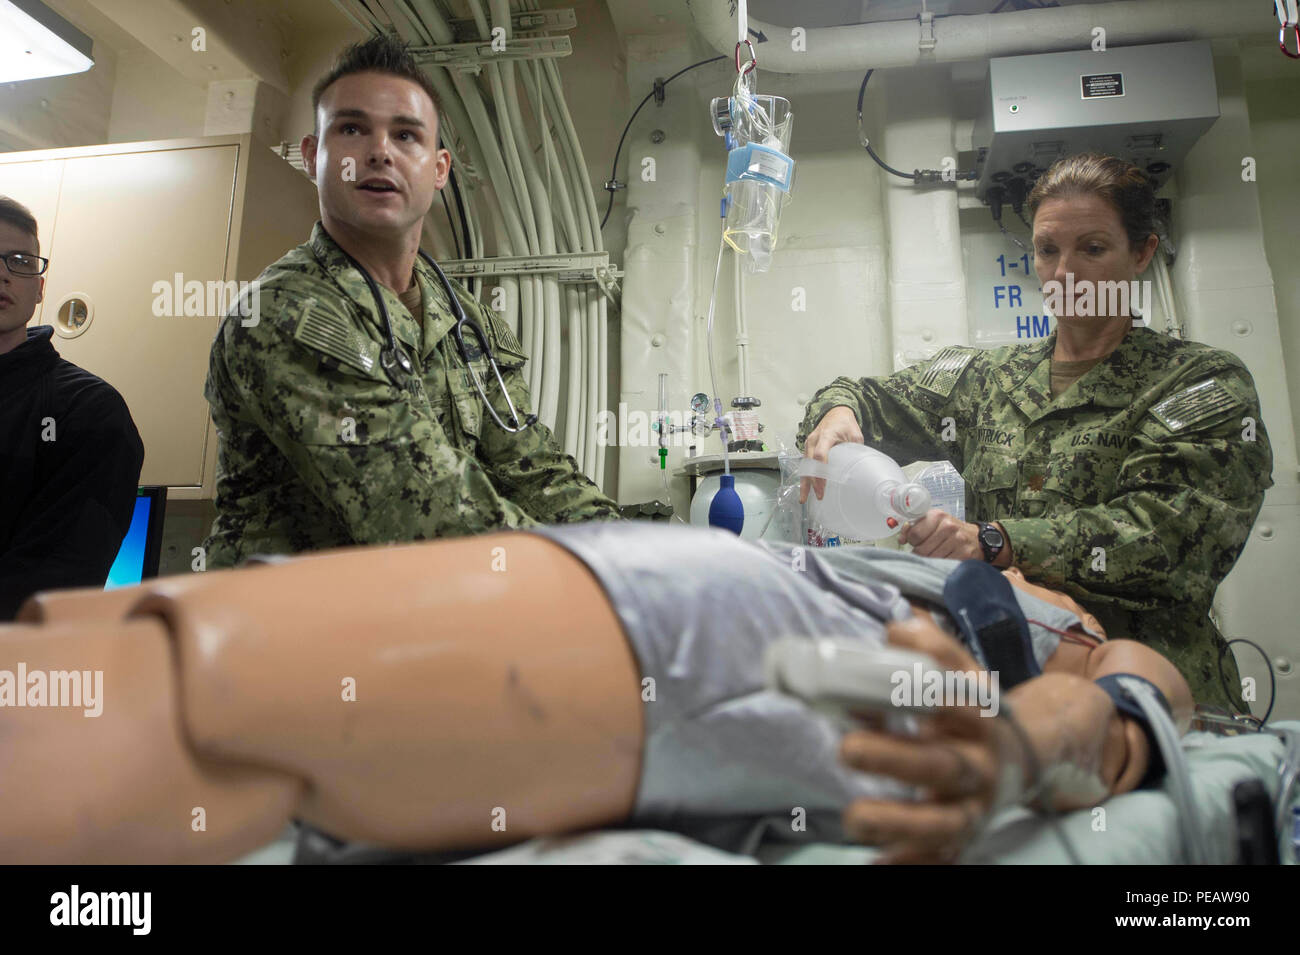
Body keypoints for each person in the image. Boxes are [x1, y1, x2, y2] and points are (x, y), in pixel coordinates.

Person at [2, 522, 1189, 864]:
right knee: (115, 659)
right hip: (772, 607)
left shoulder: (1059, 627)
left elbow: (1132, 698)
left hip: (841, 653)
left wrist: (1026, 742)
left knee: (203, 689)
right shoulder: (922, 563)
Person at [798, 153, 1273, 710]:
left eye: (1092, 248)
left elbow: (1172, 542)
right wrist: (837, 413)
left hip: (1153, 701)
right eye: (1048, 249)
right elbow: (864, 396)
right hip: (1017, 694)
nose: (1065, 273)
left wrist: (994, 541)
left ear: (1142, 252)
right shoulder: (988, 378)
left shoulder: (1198, 383)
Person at [202, 36, 617, 569]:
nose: (380, 151)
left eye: (406, 134)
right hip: (287, 638)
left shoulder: (470, 324)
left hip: (416, 627)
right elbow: (421, 508)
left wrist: (641, 548)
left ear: (439, 169)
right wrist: (607, 572)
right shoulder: (284, 312)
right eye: (352, 129)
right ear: (312, 156)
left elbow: (534, 472)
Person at [0, 197, 144, 620]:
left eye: (20, 261)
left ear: (39, 287)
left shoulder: (88, 411)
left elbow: (51, 581)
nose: (3, 274)